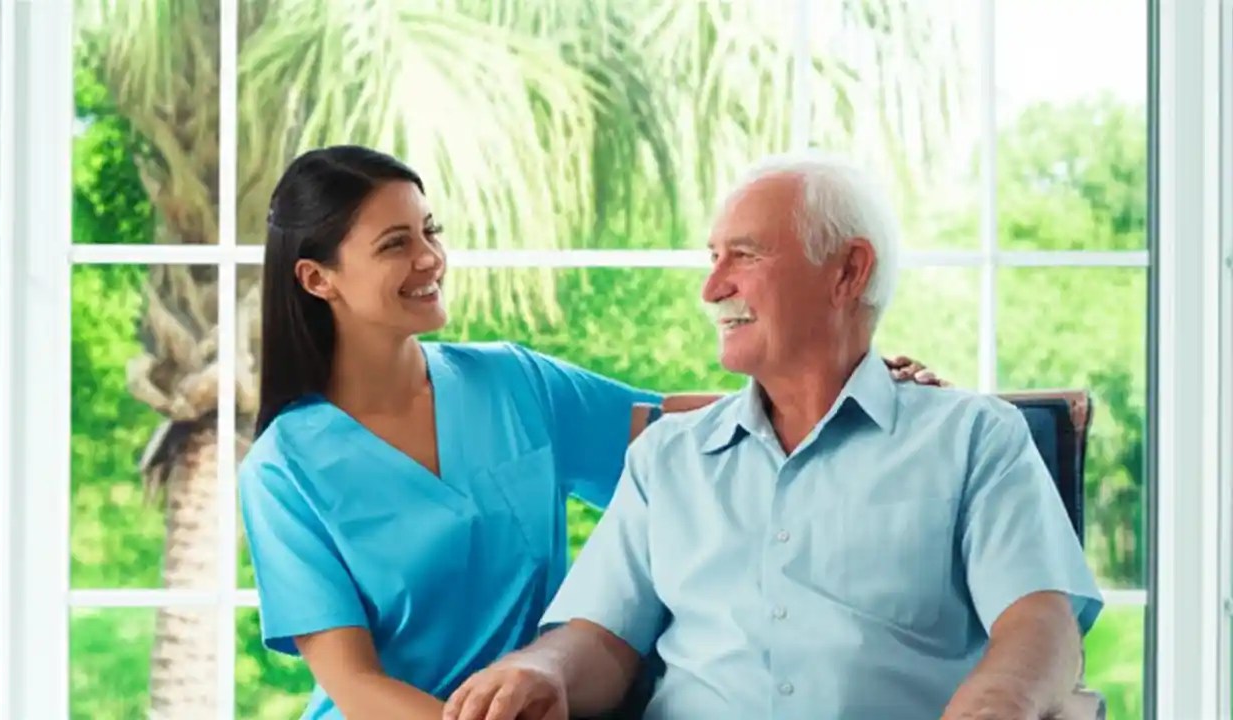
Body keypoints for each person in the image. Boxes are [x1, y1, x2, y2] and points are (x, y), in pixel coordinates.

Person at [238, 145, 945, 720]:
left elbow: (687, 427)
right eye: (397, 243)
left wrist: (849, 376)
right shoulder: (283, 470)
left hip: (551, 700)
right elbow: (356, 686)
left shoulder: (512, 384)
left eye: (431, 231)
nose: (430, 258)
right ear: (316, 279)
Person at [443, 152, 1104, 720]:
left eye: (745, 256)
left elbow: (1039, 621)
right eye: (712, 257)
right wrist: (545, 671)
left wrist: (999, 701)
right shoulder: (668, 457)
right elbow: (601, 636)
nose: (711, 287)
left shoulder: (973, 438)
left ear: (847, 272)